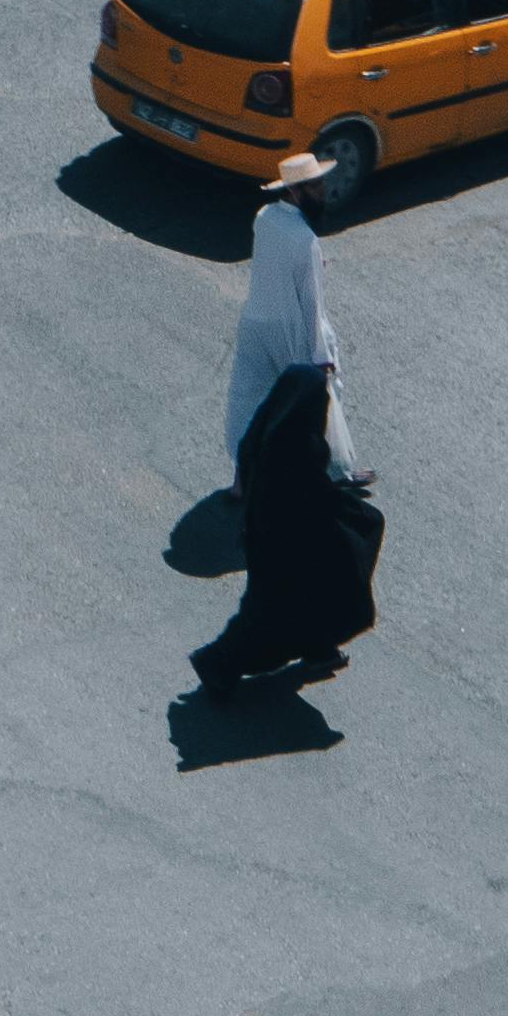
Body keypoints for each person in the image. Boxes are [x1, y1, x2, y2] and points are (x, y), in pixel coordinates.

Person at [190, 361, 384, 701]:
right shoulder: (301, 445)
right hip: (288, 544)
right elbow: (313, 495)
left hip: (269, 536)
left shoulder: (271, 428)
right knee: (275, 616)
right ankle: (217, 664)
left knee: (292, 605)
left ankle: (316, 647)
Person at [224, 149, 358, 489]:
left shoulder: (264, 217)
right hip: (291, 330)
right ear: (296, 191)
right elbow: (312, 304)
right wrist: (321, 355)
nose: (323, 191)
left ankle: (242, 478)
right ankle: (335, 471)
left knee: (247, 399)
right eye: (315, 186)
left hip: (255, 322)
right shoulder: (306, 240)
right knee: (316, 399)